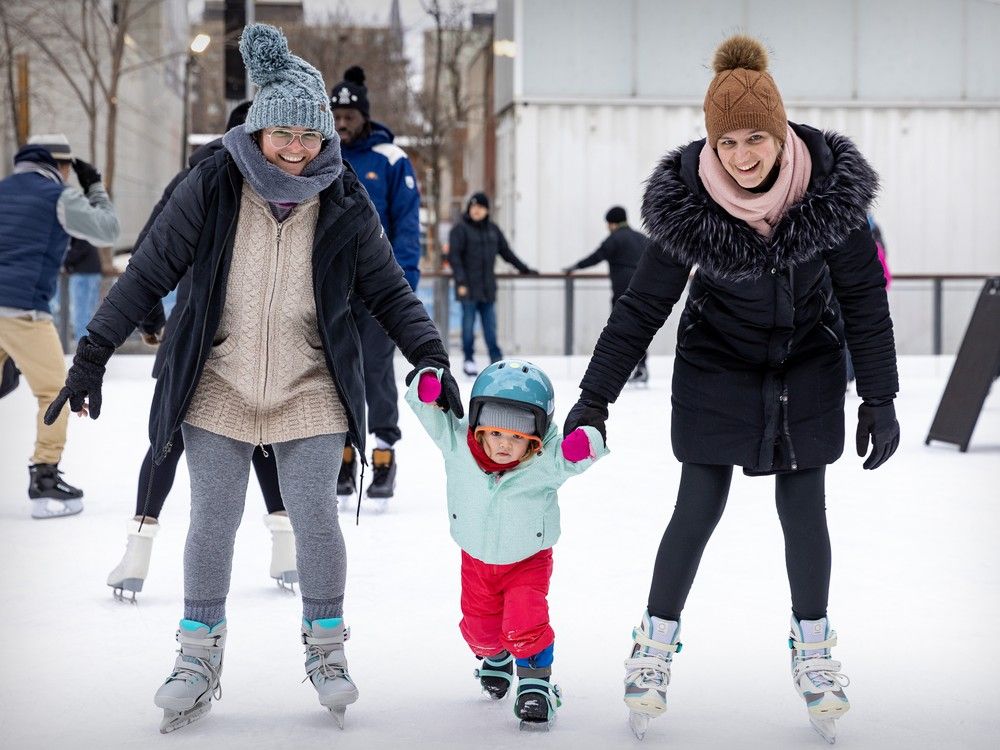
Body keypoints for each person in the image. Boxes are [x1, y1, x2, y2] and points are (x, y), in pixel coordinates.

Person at [44, 23, 462, 733]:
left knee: (316, 519)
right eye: (284, 135)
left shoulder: (344, 195)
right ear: (261, 130)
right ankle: (197, 657)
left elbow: (390, 290)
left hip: (309, 383)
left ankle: (326, 648)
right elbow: (148, 270)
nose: (297, 150)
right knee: (212, 521)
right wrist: (91, 354)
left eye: (311, 136)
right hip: (219, 381)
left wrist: (431, 354)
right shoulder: (212, 182)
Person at [563, 35, 900, 743]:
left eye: (756, 139)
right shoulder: (691, 209)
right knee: (698, 505)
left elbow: (865, 299)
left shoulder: (829, 200)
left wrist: (879, 395)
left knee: (805, 507)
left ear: (779, 134)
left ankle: (814, 651)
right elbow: (640, 311)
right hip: (716, 365)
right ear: (710, 145)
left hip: (806, 362)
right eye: (728, 143)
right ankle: (654, 646)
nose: (743, 157)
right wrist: (596, 398)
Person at [106, 101, 296, 602]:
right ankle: (286, 545)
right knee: (262, 438)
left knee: (166, 441)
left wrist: (153, 321)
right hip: (245, 338)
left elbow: (148, 250)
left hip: (191, 331)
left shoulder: (194, 177)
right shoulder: (279, 186)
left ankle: (137, 551)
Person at [405, 359, 606, 729]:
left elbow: (576, 454)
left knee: (525, 623)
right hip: (476, 560)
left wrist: (585, 443)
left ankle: (534, 685)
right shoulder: (458, 446)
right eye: (496, 434)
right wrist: (428, 386)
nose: (504, 445)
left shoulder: (545, 460)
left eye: (517, 438)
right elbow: (429, 409)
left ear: (534, 438)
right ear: (480, 426)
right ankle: (495, 657)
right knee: (479, 631)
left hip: (527, 561)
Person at [0, 133, 120, 519]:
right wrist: (95, 186)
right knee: (55, 391)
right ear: (63, 166)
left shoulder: (4, 189)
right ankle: (45, 477)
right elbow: (107, 230)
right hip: (23, 312)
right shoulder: (59, 196)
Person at [330, 66, 422, 506]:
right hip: (333, 288)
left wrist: (403, 285)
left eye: (350, 114)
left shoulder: (389, 157)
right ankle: (345, 457)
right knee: (337, 372)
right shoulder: (321, 156)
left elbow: (407, 225)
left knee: (376, 372)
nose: (342, 121)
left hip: (379, 289)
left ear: (364, 116)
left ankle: (383, 457)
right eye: (336, 113)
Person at [449, 192, 538, 377]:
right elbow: (455, 258)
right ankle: (468, 359)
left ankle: (496, 360)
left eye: (480, 207)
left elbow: (507, 253)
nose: (476, 210)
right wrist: (461, 281)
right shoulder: (460, 230)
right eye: (473, 207)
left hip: (488, 288)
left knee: (490, 327)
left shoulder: (493, 230)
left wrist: (525, 269)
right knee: (468, 326)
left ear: (487, 210)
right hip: (468, 288)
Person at [564, 206, 653, 382]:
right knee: (639, 329)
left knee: (621, 332)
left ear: (612, 223)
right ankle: (641, 367)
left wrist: (575, 267)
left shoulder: (614, 239)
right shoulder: (641, 239)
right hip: (643, 290)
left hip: (623, 294)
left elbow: (596, 257)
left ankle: (619, 371)